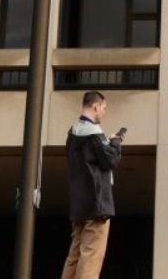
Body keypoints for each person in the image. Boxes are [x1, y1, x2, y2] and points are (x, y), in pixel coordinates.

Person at [62, 89, 124, 279]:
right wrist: (115, 142)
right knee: (91, 257)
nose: (104, 112)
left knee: (75, 256)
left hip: (79, 205)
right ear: (96, 106)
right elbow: (110, 161)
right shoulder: (95, 135)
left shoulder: (72, 135)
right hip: (97, 205)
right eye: (104, 108)